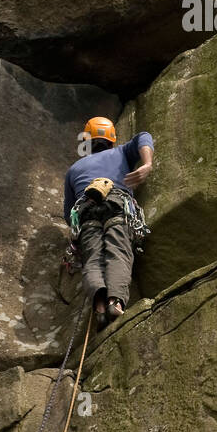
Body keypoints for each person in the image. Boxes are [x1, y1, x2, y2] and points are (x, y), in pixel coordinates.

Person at [63, 117, 154, 327]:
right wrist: (147, 164)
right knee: (118, 252)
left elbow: (69, 215)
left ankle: (100, 305)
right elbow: (144, 136)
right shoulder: (121, 152)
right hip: (117, 204)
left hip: (86, 211)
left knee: (93, 259)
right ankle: (115, 301)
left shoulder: (74, 169)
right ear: (111, 139)